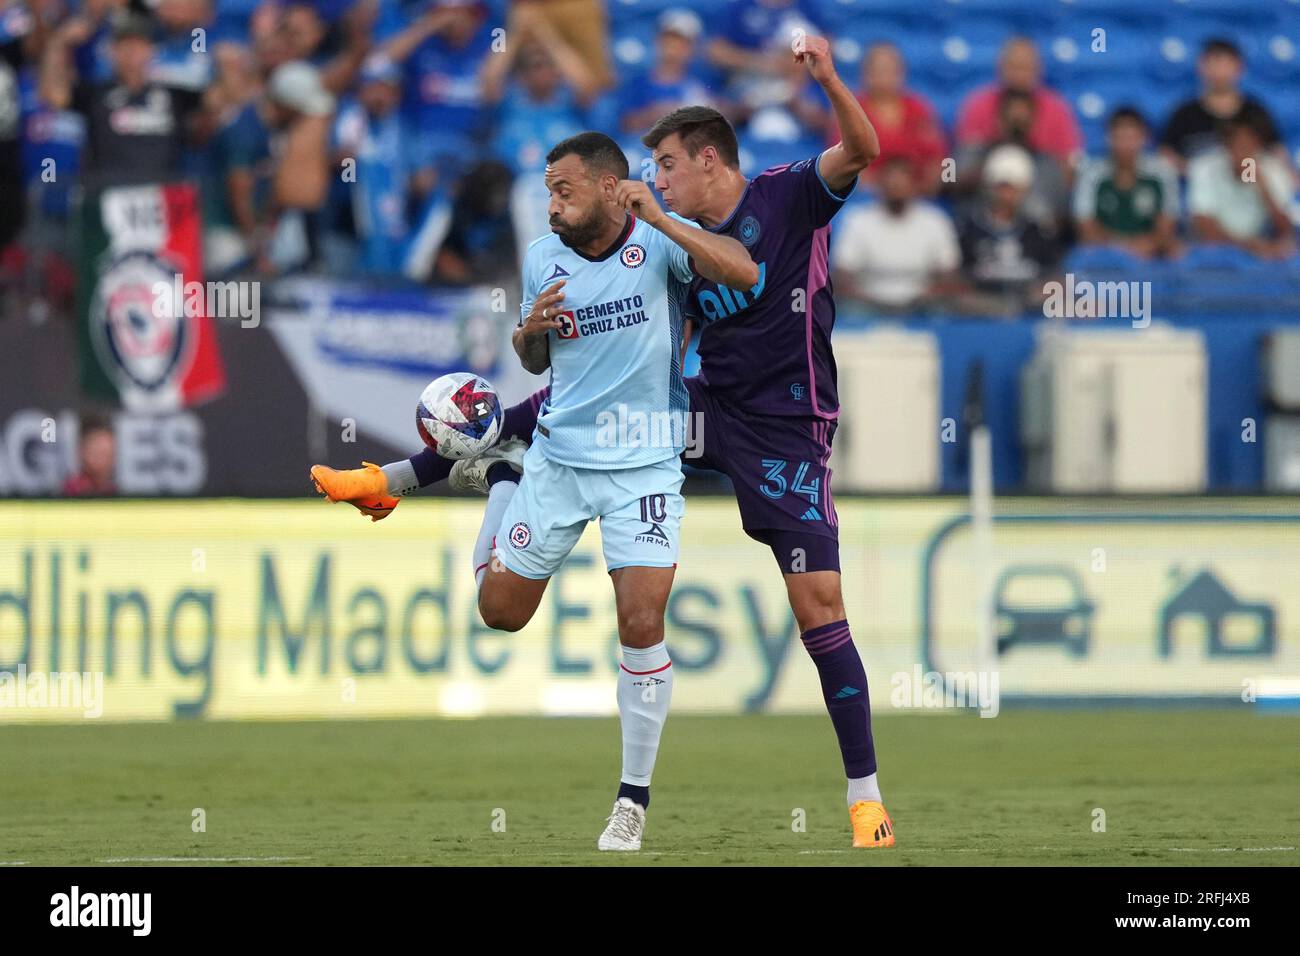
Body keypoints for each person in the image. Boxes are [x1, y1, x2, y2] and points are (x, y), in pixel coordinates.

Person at [313, 35, 898, 850]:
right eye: (648, 169)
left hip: (788, 427)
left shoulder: (784, 195)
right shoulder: (626, 237)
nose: (652, 179)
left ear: (704, 160)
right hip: (700, 406)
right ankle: (396, 479)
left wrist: (832, 77)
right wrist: (533, 329)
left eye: (663, 164)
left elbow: (797, 223)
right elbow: (562, 357)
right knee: (568, 407)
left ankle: (865, 798)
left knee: (819, 606)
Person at [317, 131, 759, 851]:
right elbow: (534, 357)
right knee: (500, 613)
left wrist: (666, 221)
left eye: (564, 191)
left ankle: (631, 803)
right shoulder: (541, 258)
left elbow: (744, 272)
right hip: (559, 458)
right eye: (548, 191)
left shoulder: (661, 243)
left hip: (644, 463)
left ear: (612, 189)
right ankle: (502, 475)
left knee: (642, 621)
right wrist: (530, 330)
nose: (550, 205)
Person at [833, 157, 961, 313]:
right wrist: (865, 297)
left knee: (941, 311)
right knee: (851, 311)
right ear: (879, 185)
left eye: (902, 183)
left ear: (914, 185)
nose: (896, 187)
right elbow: (844, 272)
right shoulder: (858, 220)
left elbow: (948, 271)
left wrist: (929, 295)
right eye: (891, 183)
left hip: (921, 301)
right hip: (868, 301)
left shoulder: (935, 220)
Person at [956, 143, 1062, 316]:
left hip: (1029, 304)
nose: (1006, 195)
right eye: (1002, 187)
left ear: (1024, 190)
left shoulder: (1038, 231)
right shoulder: (968, 230)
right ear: (990, 187)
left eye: (1012, 188)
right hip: (983, 305)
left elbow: (1053, 275)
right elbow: (958, 277)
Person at [831, 41, 946, 196]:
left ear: (902, 72)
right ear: (865, 73)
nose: (884, 75)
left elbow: (937, 159)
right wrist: (887, 190)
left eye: (890, 69)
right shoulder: (849, 111)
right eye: (878, 69)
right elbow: (841, 164)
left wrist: (919, 189)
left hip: (916, 198)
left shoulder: (919, 108)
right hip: (866, 200)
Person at [954, 36, 1082, 168]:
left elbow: (1068, 163)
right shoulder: (979, 105)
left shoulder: (1056, 110)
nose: (1019, 76)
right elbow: (966, 159)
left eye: (1025, 68)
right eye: (1013, 67)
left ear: (1038, 70)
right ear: (1000, 67)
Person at [1160, 37, 1283, 173]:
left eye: (1226, 64)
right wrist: (1196, 175)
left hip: (1247, 186)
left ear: (1239, 68)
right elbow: (1165, 155)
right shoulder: (1184, 114)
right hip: (1199, 192)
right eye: (1214, 63)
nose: (1220, 71)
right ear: (1201, 66)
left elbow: (1276, 153)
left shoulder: (1255, 113)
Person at [1073, 107, 1181, 259]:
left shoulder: (1162, 173)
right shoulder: (1091, 174)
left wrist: (1146, 245)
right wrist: (1120, 249)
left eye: (1132, 138)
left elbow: (1167, 224)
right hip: (1103, 255)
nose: (1125, 145)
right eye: (1119, 137)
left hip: (1151, 255)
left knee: (1178, 251)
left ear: (1144, 138)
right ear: (1108, 138)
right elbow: (1086, 226)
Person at [1188, 116, 1296, 259]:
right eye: (1237, 146)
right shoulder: (1204, 168)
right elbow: (1204, 225)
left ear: (1258, 146)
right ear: (1226, 146)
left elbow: (1285, 229)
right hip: (1216, 250)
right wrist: (1246, 245)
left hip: (1260, 247)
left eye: (1248, 146)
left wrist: (1263, 188)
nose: (1243, 154)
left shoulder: (1274, 170)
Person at [63, 415, 116, 496]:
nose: (106, 461)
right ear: (81, 452)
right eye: (99, 453)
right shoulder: (71, 492)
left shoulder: (113, 490)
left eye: (109, 454)